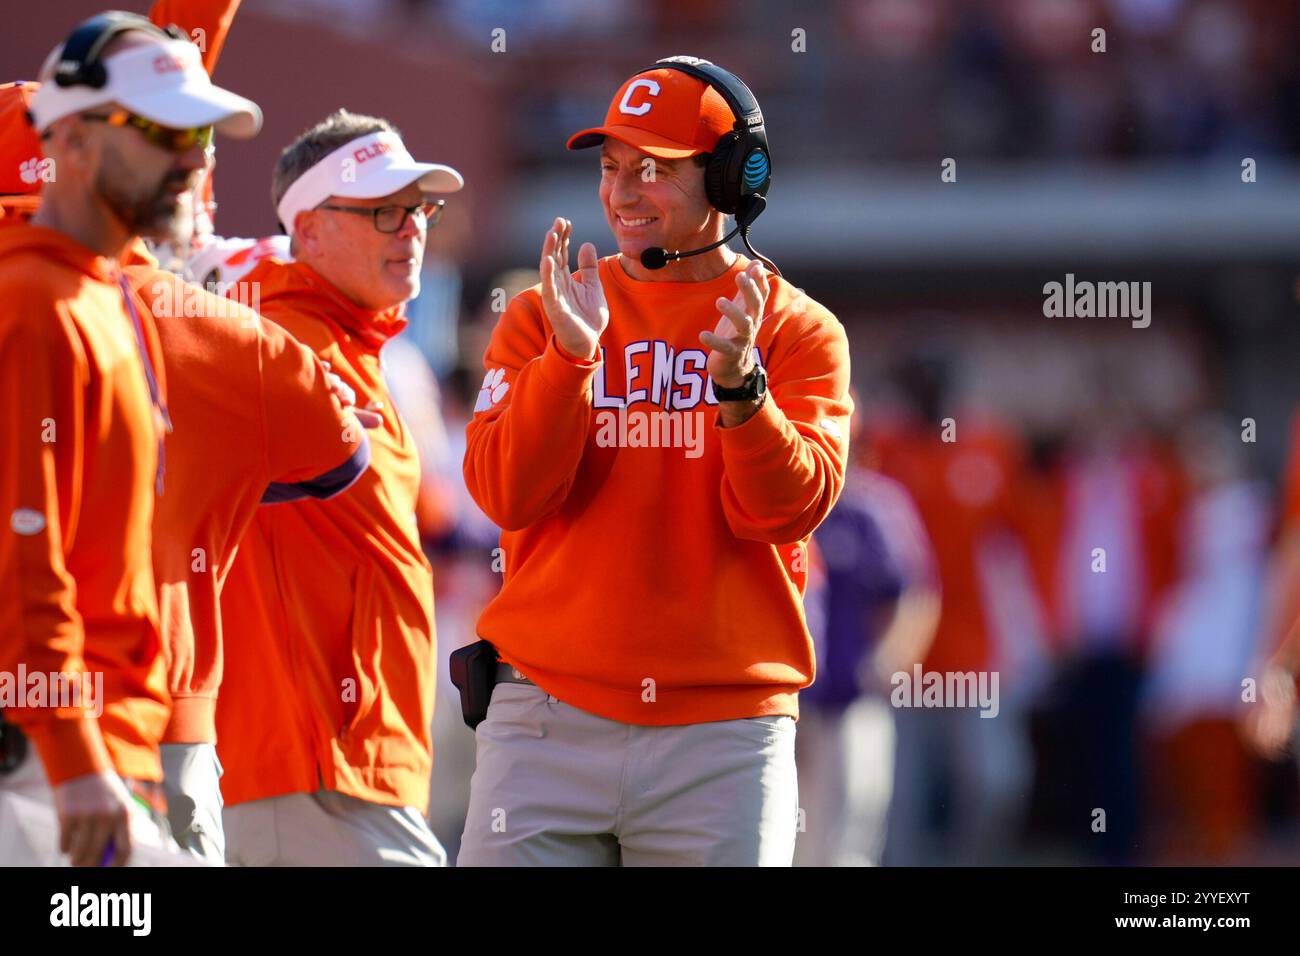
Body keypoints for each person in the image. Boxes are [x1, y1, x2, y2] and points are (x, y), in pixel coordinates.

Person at [458, 56, 852, 866]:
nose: (622, 193)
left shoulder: (798, 329)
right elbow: (508, 493)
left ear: (732, 179)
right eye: (611, 168)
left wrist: (743, 396)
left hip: (720, 739)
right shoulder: (546, 314)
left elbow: (784, 511)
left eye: (653, 170)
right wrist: (567, 364)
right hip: (542, 719)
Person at [0, 10, 259, 866]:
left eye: (199, 133)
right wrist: (76, 761)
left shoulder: (109, 298)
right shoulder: (34, 304)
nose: (191, 157)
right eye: (160, 129)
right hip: (51, 771)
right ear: (70, 141)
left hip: (102, 757)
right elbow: (22, 553)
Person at [216, 109, 463, 866]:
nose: (411, 228)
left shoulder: (360, 348)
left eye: (420, 208)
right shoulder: (279, 342)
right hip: (313, 762)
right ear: (311, 231)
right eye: (383, 210)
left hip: (348, 759)